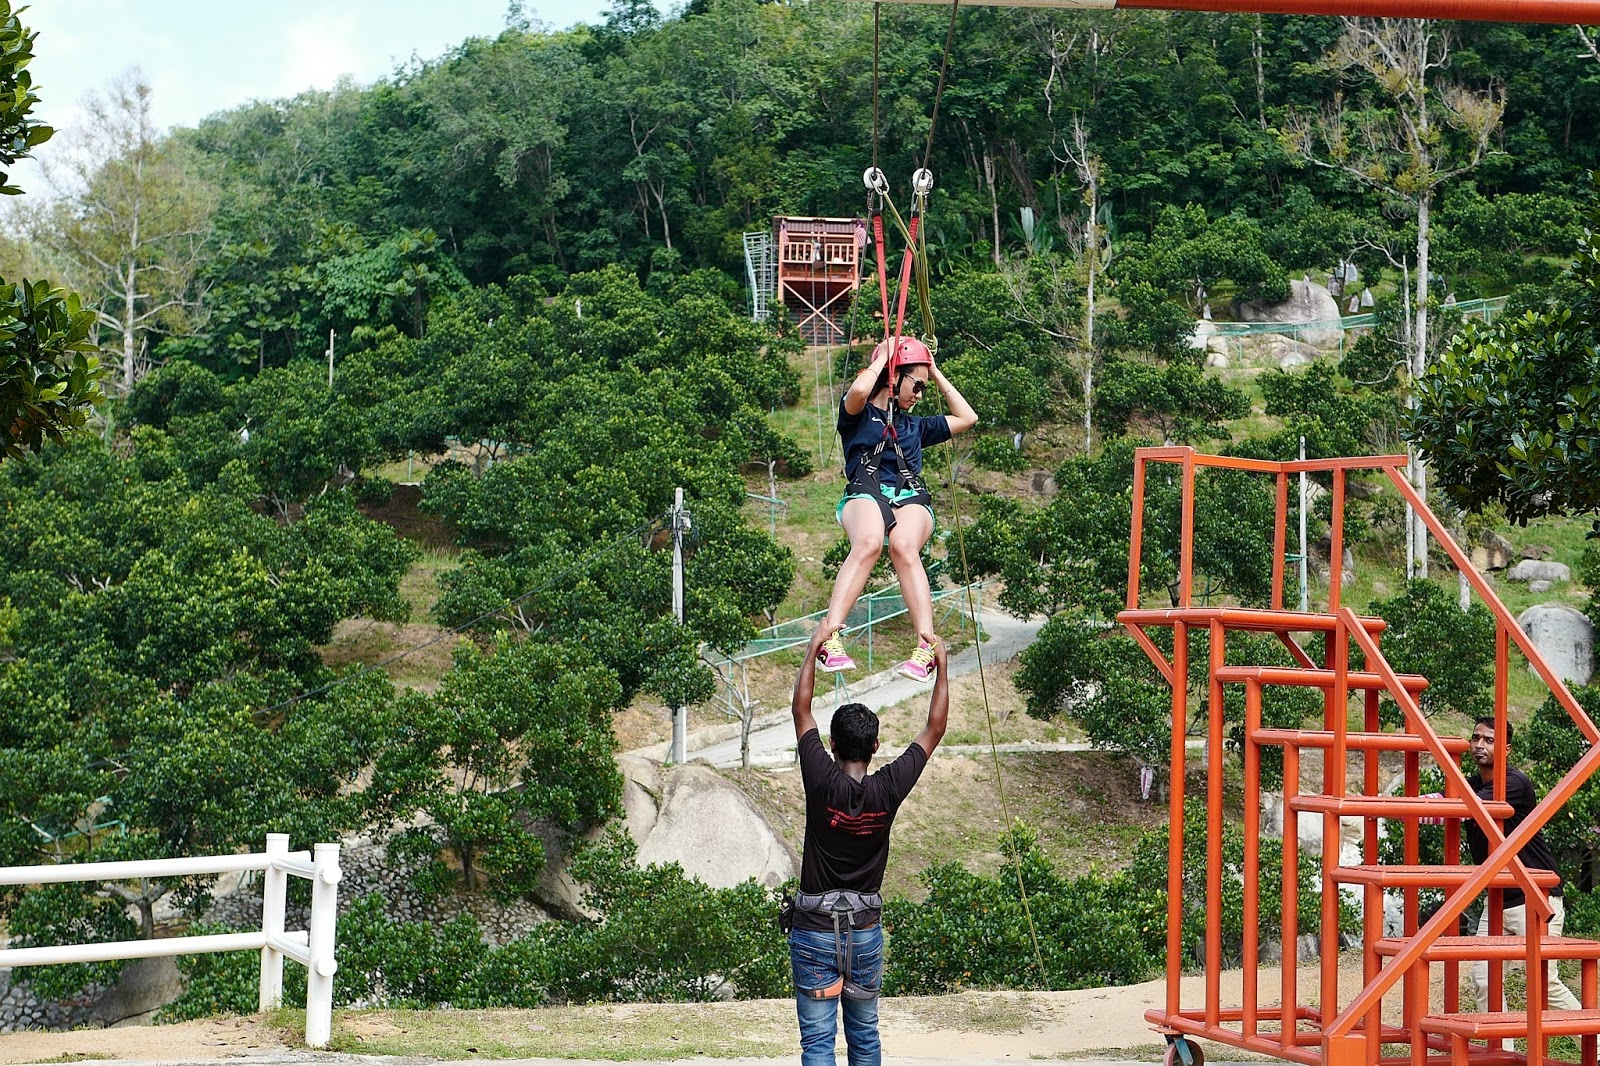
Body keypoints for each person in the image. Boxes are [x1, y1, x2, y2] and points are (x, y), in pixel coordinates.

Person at [786, 622, 948, 1066]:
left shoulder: (821, 779)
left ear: (832, 744)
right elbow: (935, 728)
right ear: (876, 746)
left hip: (814, 930)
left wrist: (813, 648)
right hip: (863, 933)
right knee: (864, 1036)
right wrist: (942, 667)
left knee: (818, 1041)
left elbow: (801, 710)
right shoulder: (889, 789)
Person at [814, 336, 977, 683]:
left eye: (923, 387)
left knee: (904, 546)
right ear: (892, 378)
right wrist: (884, 360)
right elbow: (858, 392)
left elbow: (967, 416)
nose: (919, 394)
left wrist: (932, 372)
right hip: (865, 491)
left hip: (907, 495)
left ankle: (925, 646)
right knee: (870, 540)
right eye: (915, 385)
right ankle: (831, 635)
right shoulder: (858, 416)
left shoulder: (916, 426)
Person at [1462, 716, 1580, 1013]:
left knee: (1544, 984)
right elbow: (1452, 802)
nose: (1480, 745)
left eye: (1489, 741)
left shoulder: (1513, 782)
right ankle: (1504, 1051)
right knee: (1484, 978)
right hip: (1499, 895)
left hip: (1534, 896)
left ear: (1507, 749)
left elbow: (1466, 807)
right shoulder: (1473, 782)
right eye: (1476, 738)